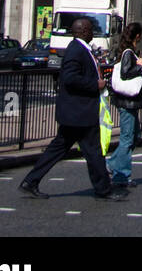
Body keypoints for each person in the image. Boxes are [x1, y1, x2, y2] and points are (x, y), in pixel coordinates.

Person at [19, 17, 125, 201]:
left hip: (76, 113)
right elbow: (69, 78)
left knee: (58, 149)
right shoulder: (76, 50)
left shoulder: (81, 49)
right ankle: (103, 189)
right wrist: (95, 84)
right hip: (79, 112)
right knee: (93, 151)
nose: (93, 32)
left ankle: (31, 181)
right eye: (91, 29)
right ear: (83, 31)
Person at [106, 22, 142, 190]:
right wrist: (140, 67)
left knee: (135, 136)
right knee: (127, 138)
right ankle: (120, 174)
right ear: (137, 36)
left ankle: (114, 165)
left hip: (131, 103)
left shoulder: (128, 52)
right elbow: (125, 73)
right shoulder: (128, 53)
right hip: (127, 102)